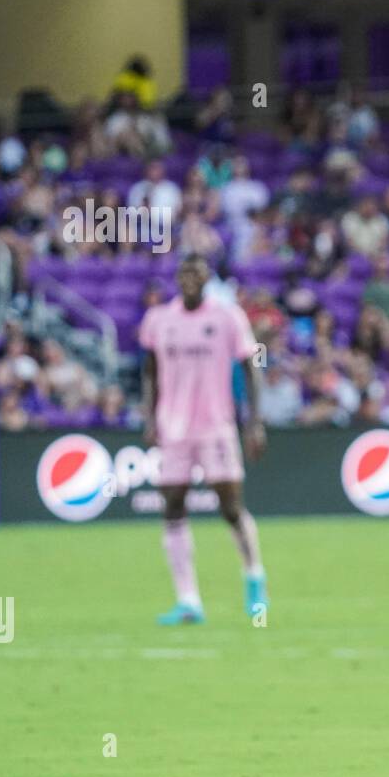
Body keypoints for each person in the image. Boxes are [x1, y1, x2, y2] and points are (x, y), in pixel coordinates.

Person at [140, 254, 268, 625]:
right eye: (184, 273)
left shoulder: (227, 317)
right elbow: (150, 372)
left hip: (216, 425)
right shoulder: (159, 320)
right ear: (178, 279)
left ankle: (254, 575)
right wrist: (149, 417)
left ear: (207, 278)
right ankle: (188, 600)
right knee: (173, 507)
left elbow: (251, 366)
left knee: (230, 508)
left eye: (197, 273)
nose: (190, 279)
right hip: (173, 428)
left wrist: (254, 422)